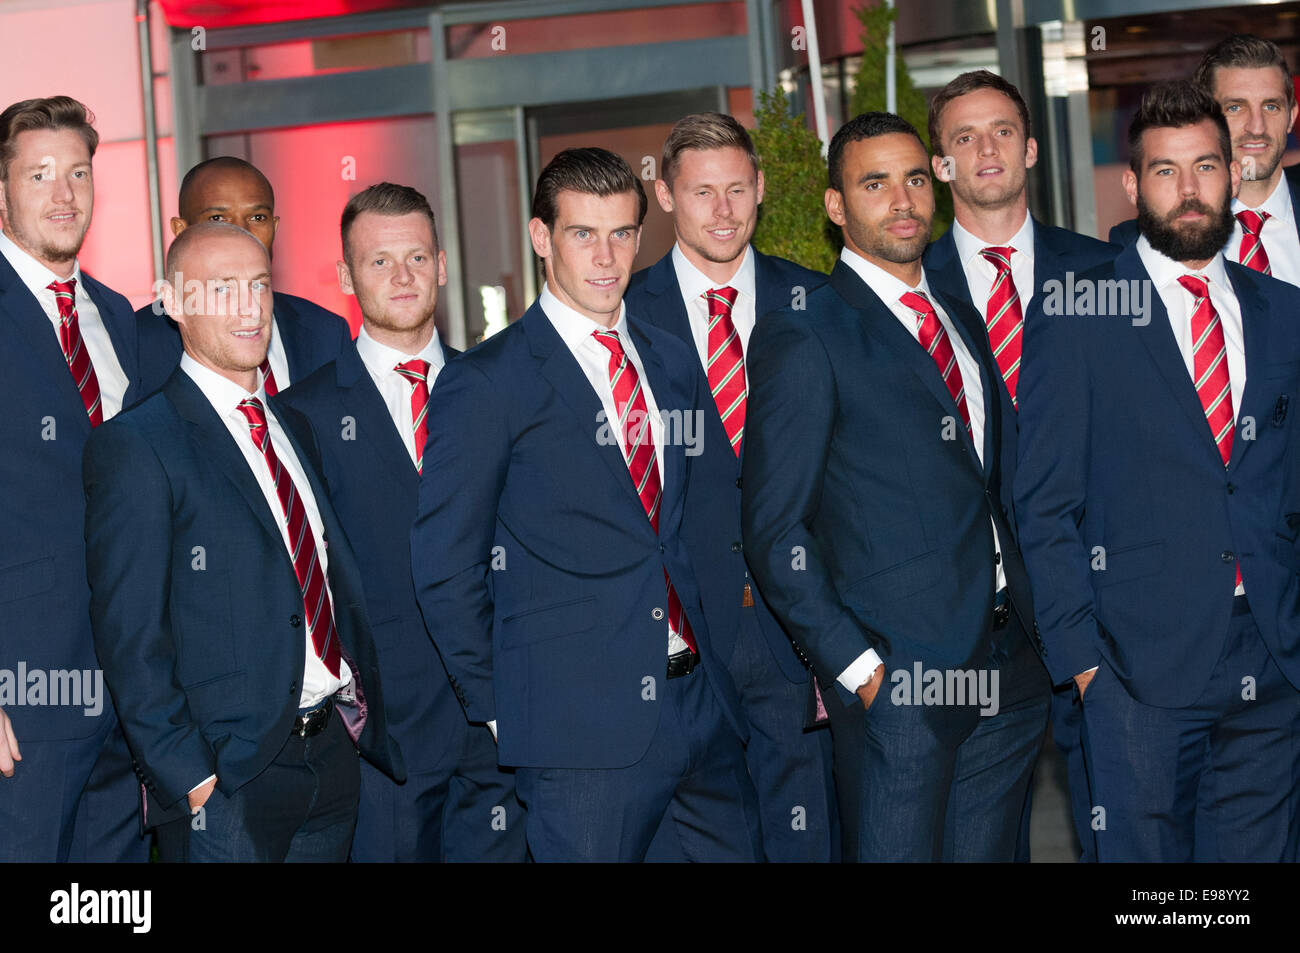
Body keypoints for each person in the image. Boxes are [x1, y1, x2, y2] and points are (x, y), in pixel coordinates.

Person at [410, 147, 762, 862]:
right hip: (575, 736)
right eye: (582, 234)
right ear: (542, 238)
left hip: (700, 710)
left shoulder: (668, 360)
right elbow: (446, 567)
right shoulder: (489, 382)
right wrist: (506, 711)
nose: (606, 258)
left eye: (623, 234)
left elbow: (689, 530)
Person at [742, 112, 1040, 862]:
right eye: (875, 183)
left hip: (1010, 669)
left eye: (914, 177)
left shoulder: (959, 317)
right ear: (836, 207)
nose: (902, 199)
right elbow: (776, 532)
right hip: (900, 688)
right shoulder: (806, 332)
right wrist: (862, 671)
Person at [1016, 81, 1300, 861]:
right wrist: (1081, 666)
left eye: (1205, 166)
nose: (1189, 189)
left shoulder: (1282, 312)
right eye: (1166, 171)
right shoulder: (1076, 310)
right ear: (1133, 185)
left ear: (1232, 177)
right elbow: (1044, 504)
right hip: (1134, 668)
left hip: (1271, 657)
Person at [83, 221, 405, 861]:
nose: (248, 306)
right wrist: (192, 780)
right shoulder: (137, 445)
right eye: (221, 288)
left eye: (259, 285)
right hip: (226, 785)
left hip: (330, 760)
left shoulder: (295, 427)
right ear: (173, 303)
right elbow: (130, 637)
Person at [277, 183, 527, 862]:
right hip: (384, 739)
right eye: (380, 262)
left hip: (504, 723)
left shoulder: (503, 389)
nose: (403, 276)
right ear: (345, 276)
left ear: (443, 265)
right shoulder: (303, 413)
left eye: (417, 257)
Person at [624, 112, 836, 862]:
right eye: (702, 191)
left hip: (799, 624)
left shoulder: (819, 302)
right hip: (683, 633)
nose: (723, 209)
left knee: (807, 829)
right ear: (665, 195)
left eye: (737, 189)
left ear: (763, 189)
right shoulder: (622, 318)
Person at [923, 69, 1115, 861]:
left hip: (1098, 596)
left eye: (1001, 130)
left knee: (1123, 819)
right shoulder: (911, 286)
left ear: (1032, 147)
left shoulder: (1107, 270)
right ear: (941, 166)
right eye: (962, 137)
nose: (985, 149)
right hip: (971, 616)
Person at [0, 95, 148, 862]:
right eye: (40, 175)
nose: (64, 195)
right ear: (2, 191)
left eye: (79, 173)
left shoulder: (118, 317)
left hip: (128, 692)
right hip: (21, 694)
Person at [136, 156, 352, 396]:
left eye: (257, 218)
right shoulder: (137, 342)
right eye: (217, 219)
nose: (241, 232)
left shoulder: (326, 331)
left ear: (274, 226)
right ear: (181, 230)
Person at [1110, 34, 1300, 291]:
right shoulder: (1132, 245)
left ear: (1292, 116)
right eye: (1235, 108)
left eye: (1271, 107)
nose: (1257, 127)